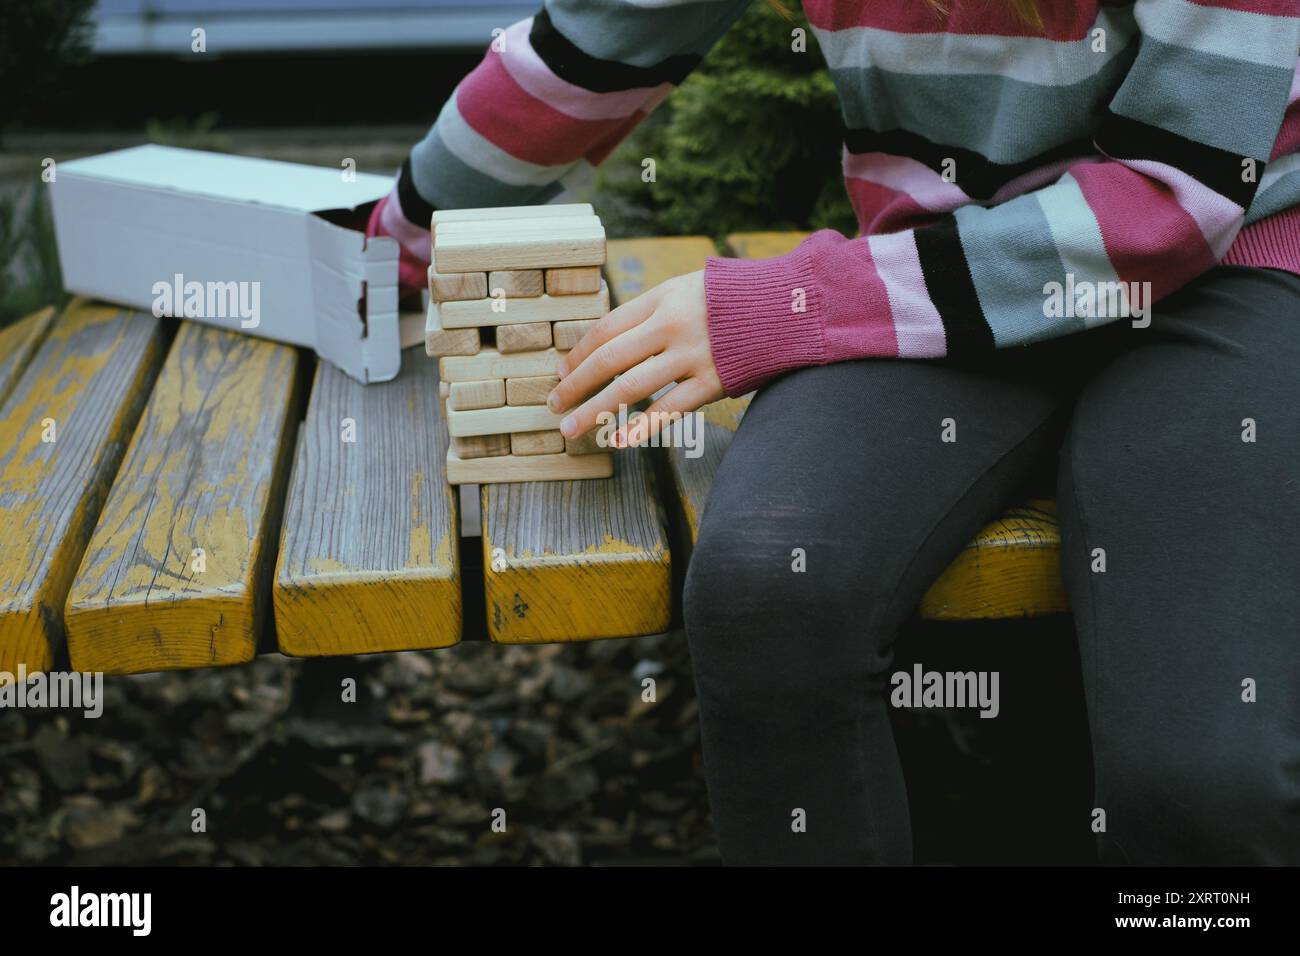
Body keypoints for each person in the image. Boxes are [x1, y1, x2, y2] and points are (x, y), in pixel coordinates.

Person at [369, 0, 1300, 865]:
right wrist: (386, 246)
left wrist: (791, 303)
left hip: (1220, 269)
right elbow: (595, 45)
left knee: (1200, 783)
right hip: (939, 266)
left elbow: (1174, 203)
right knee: (766, 593)